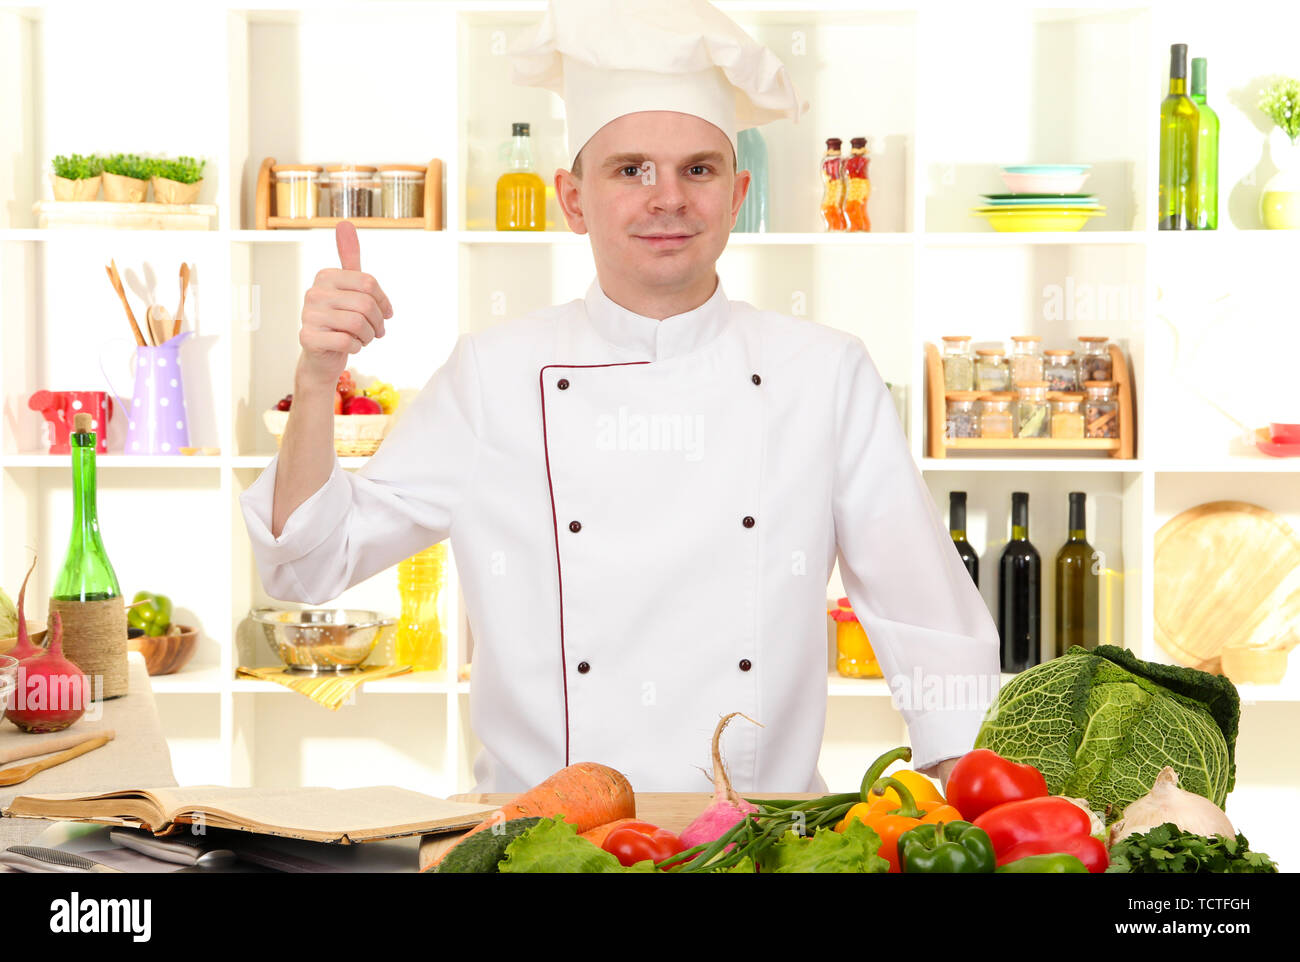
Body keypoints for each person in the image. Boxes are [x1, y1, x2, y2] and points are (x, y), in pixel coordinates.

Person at [239, 0, 1001, 794]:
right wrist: (316, 380)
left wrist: (983, 811)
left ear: (737, 193)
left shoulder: (825, 373)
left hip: (759, 841)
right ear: (572, 199)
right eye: (631, 168)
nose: (667, 197)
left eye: (698, 169)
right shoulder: (490, 376)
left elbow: (931, 626)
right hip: (542, 839)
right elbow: (307, 565)